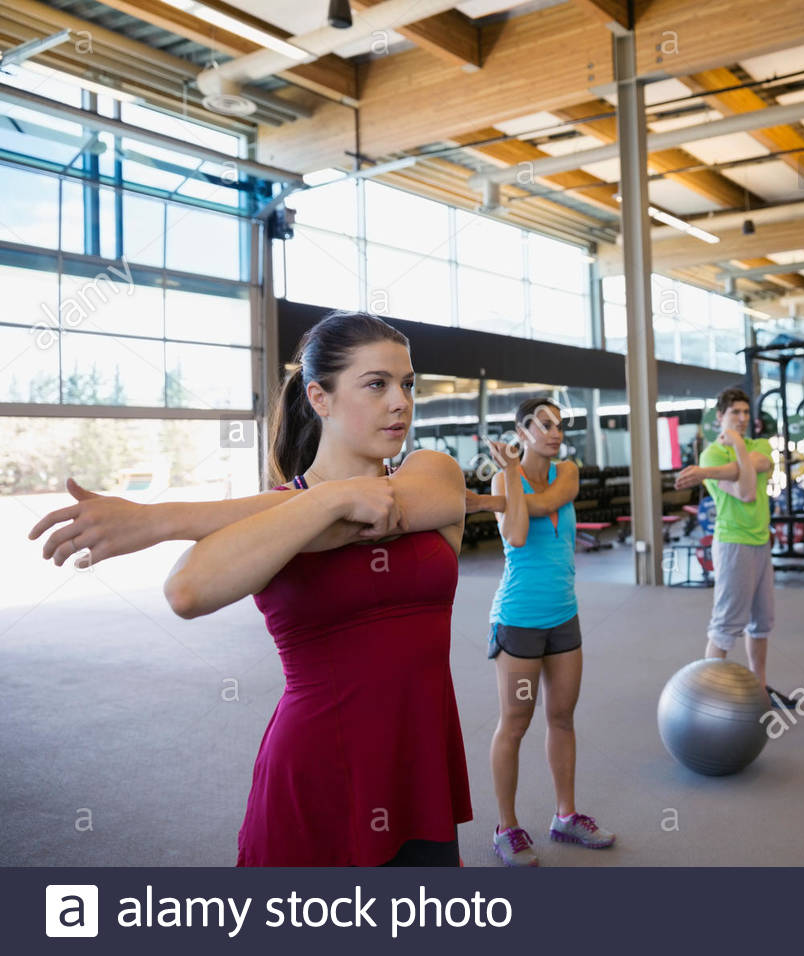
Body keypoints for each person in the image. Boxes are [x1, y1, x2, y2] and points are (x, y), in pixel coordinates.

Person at [29, 311, 472, 866]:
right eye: (377, 384)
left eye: (407, 384)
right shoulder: (281, 510)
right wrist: (327, 499)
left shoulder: (432, 474)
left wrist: (161, 519)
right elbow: (187, 592)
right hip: (316, 773)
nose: (400, 401)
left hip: (419, 775)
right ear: (321, 397)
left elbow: (381, 508)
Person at [465, 398, 614, 867]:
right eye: (543, 424)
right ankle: (505, 828)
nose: (555, 431)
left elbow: (547, 503)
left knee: (563, 718)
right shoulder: (500, 477)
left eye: (559, 424)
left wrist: (493, 502)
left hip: (564, 617)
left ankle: (564, 816)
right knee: (515, 723)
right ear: (522, 431)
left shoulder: (566, 472)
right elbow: (518, 535)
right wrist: (505, 481)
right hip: (519, 621)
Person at [675, 388, 794, 708]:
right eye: (734, 414)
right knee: (726, 624)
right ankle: (704, 698)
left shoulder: (760, 445)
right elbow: (745, 492)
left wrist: (715, 467)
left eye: (745, 413)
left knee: (762, 622)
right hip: (732, 544)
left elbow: (755, 465)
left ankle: (760, 688)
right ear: (720, 418)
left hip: (760, 541)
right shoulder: (711, 454)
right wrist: (732, 459)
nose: (742, 419)